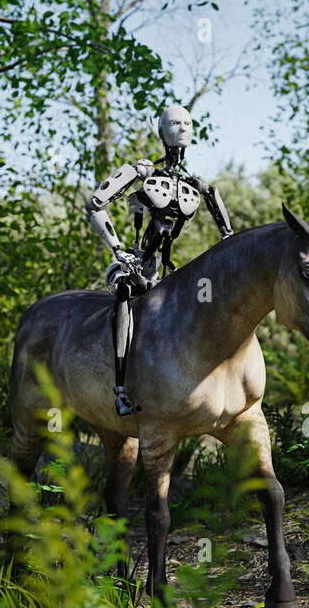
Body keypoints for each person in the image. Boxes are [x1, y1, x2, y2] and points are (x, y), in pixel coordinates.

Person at [84, 105, 234, 415]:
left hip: (167, 272)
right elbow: (96, 203)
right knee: (125, 296)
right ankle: (120, 389)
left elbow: (229, 237)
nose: (182, 128)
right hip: (135, 264)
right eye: (174, 123)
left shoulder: (199, 184)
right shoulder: (141, 172)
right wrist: (117, 248)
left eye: (187, 123)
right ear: (161, 131)